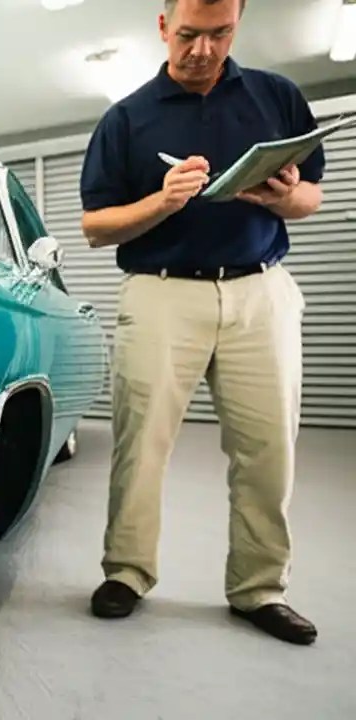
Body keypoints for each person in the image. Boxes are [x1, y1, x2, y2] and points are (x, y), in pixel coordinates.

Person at [78, 0, 325, 645]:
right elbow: (95, 226)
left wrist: (284, 197)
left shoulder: (277, 96)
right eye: (188, 34)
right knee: (141, 444)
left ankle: (260, 589)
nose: (203, 50)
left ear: (237, 25)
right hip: (161, 293)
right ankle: (127, 572)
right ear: (164, 27)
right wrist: (162, 201)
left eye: (220, 34)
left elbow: (311, 196)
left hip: (260, 292)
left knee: (269, 449)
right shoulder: (126, 117)